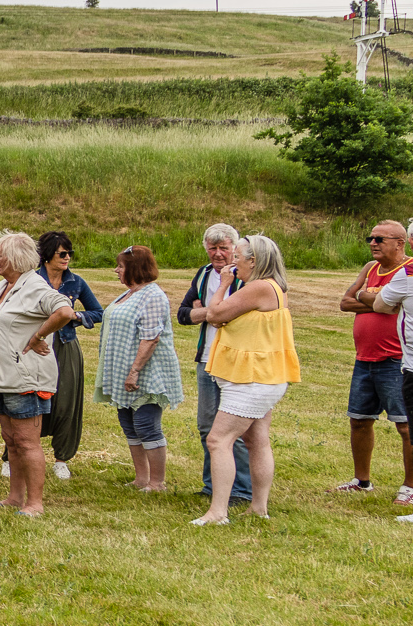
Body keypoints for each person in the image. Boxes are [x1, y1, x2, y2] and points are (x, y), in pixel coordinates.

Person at [198, 234, 302, 525]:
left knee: (218, 440)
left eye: (238, 258)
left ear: (253, 261)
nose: (233, 263)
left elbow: (214, 313)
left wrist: (223, 285)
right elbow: (219, 318)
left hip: (252, 380)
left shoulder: (258, 287)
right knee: (257, 440)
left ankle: (218, 512)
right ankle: (259, 507)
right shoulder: (270, 287)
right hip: (261, 375)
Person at [0, 231, 76, 517]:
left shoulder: (34, 286)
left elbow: (65, 311)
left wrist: (38, 337)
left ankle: (35, 503)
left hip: (25, 378)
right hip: (1, 376)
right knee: (10, 439)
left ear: (14, 259)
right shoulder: (3, 285)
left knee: (26, 441)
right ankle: (14, 497)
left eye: (0, 255)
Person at [95, 246, 184, 491]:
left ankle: (157, 482)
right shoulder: (131, 294)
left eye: (121, 266)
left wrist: (134, 370)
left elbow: (151, 337)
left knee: (146, 424)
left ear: (135, 268)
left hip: (145, 373)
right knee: (128, 423)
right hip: (123, 373)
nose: (116, 270)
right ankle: (141, 478)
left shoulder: (153, 295)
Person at [338, 221, 413, 499]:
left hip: (395, 361)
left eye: (380, 239)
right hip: (364, 359)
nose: (373, 242)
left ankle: (410, 487)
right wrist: (373, 298)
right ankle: (362, 480)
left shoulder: (408, 271)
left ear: (400, 242)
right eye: (371, 237)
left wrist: (371, 298)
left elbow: (397, 305)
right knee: (359, 420)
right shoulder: (370, 268)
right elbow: (345, 302)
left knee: (406, 427)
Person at [179, 224, 254, 504]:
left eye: (224, 248)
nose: (218, 253)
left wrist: (209, 311)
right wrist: (209, 312)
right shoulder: (203, 274)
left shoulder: (246, 278)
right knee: (207, 426)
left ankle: (241, 490)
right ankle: (212, 485)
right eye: (213, 248)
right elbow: (184, 315)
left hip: (235, 360)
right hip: (206, 359)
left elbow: (233, 316)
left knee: (236, 429)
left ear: (235, 249)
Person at [30, 231, 102, 481]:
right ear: (47, 255)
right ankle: (14, 456)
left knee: (67, 402)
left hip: (66, 344)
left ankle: (61, 459)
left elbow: (98, 311)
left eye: (70, 253)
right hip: (36, 345)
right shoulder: (31, 280)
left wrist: (77, 317)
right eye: (62, 253)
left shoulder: (76, 282)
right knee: (29, 399)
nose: (67, 257)